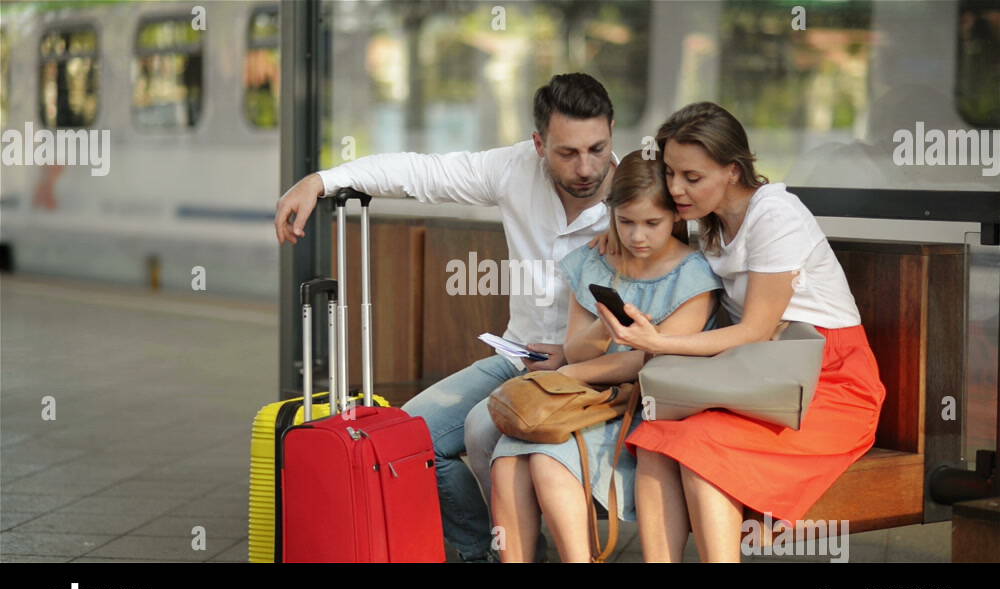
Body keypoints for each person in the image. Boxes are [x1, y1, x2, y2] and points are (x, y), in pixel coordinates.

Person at [274, 73, 619, 562]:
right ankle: (488, 549)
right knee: (403, 437)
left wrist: (573, 353)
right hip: (516, 358)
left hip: (587, 371)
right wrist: (321, 180)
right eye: (568, 152)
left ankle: (513, 548)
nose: (586, 167)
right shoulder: (513, 168)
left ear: (612, 133)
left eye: (597, 148)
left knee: (482, 426)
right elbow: (422, 173)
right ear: (539, 143)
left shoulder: (635, 203)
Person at [596, 102, 887, 563]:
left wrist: (657, 343)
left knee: (701, 449)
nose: (676, 188)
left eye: (692, 177)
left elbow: (754, 330)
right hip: (761, 375)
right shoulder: (709, 220)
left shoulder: (776, 214)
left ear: (733, 171)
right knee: (654, 440)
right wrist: (612, 233)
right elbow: (649, 224)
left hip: (824, 381)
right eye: (671, 172)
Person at [488, 151, 723, 562]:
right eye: (626, 221)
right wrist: (605, 322)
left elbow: (652, 362)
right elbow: (574, 346)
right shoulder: (593, 261)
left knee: (545, 460)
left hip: (637, 408)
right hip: (583, 401)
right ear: (610, 214)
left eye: (652, 223)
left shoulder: (694, 275)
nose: (637, 236)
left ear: (676, 218)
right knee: (506, 462)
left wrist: (571, 374)